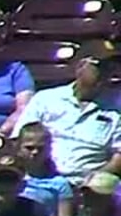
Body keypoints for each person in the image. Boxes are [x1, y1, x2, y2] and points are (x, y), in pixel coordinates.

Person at [10, 39, 121, 183]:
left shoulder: (116, 110)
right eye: (101, 66)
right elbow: (18, 141)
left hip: (89, 186)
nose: (108, 72)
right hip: (41, 182)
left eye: (112, 67)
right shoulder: (45, 99)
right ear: (80, 66)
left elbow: (118, 158)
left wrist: (92, 181)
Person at [12, 122, 75, 216]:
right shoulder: (8, 177)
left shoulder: (60, 184)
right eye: (29, 148)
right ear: (18, 148)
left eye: (40, 148)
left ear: (49, 149)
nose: (35, 152)